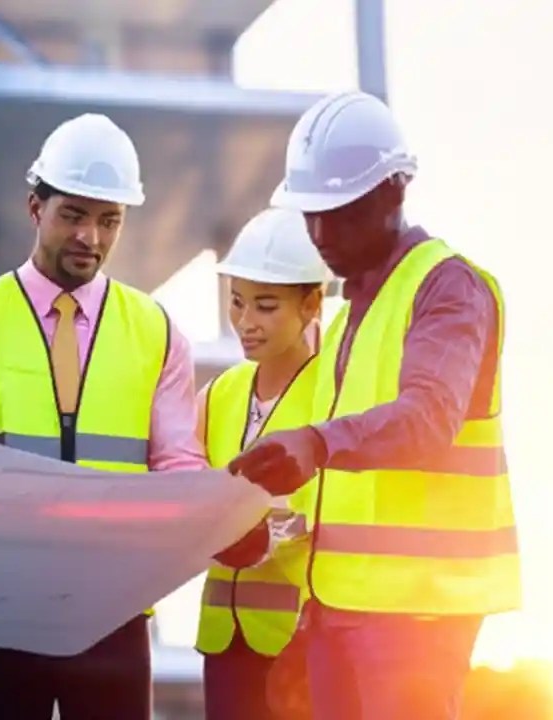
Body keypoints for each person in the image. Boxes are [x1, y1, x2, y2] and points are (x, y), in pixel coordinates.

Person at [229, 90, 521, 719]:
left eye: (343, 213)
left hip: (418, 615)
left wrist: (315, 442)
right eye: (311, 214)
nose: (321, 234)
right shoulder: (352, 316)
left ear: (394, 191)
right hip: (341, 608)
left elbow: (426, 421)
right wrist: (263, 529)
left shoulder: (448, 289)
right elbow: (339, 485)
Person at [0, 113, 205, 720]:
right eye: (74, 215)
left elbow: (179, 465)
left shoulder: (156, 330)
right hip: (3, 606)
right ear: (35, 208)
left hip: (114, 611)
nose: (92, 238)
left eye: (110, 220)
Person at [195, 207, 329, 720]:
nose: (245, 322)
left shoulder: (333, 397)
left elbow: (332, 513)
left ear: (312, 303)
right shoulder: (220, 393)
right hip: (223, 642)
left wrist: (261, 534)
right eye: (236, 302)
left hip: (296, 645)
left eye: (266, 306)